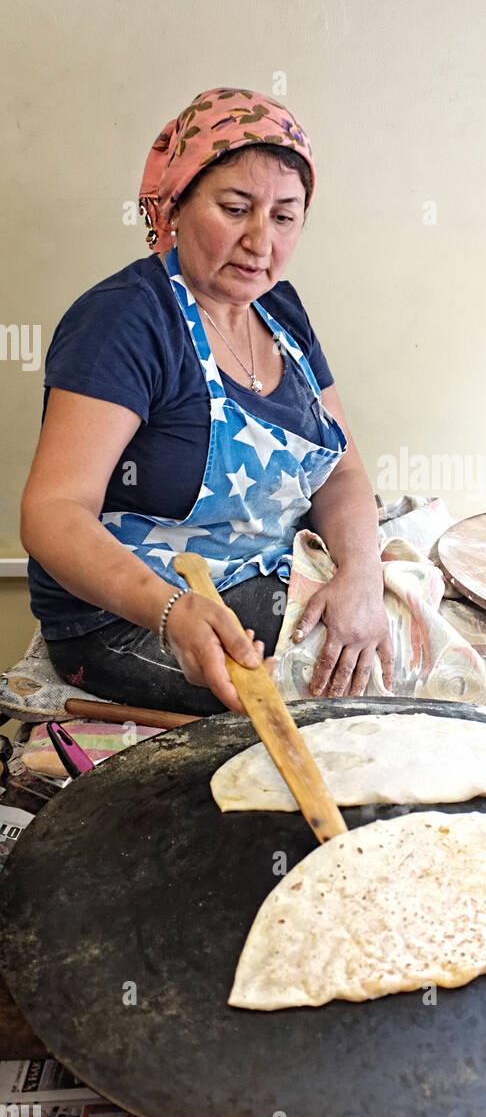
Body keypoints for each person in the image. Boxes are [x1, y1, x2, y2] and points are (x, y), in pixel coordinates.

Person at [21, 87, 394, 715]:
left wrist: (362, 575)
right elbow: (53, 511)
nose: (259, 241)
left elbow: (343, 469)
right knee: (396, 672)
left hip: (263, 569)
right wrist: (170, 609)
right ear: (176, 204)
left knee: (418, 604)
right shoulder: (124, 322)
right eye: (234, 208)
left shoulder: (280, 311)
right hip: (130, 618)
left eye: (285, 216)